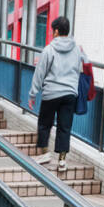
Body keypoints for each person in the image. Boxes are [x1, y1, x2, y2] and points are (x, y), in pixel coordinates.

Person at [28, 15, 86, 172]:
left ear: (56, 31)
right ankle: (62, 161)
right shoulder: (77, 49)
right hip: (70, 94)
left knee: (44, 123)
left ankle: (44, 153)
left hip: (51, 93)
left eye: (53, 30)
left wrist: (33, 93)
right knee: (64, 127)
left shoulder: (49, 49)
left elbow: (40, 72)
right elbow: (86, 63)